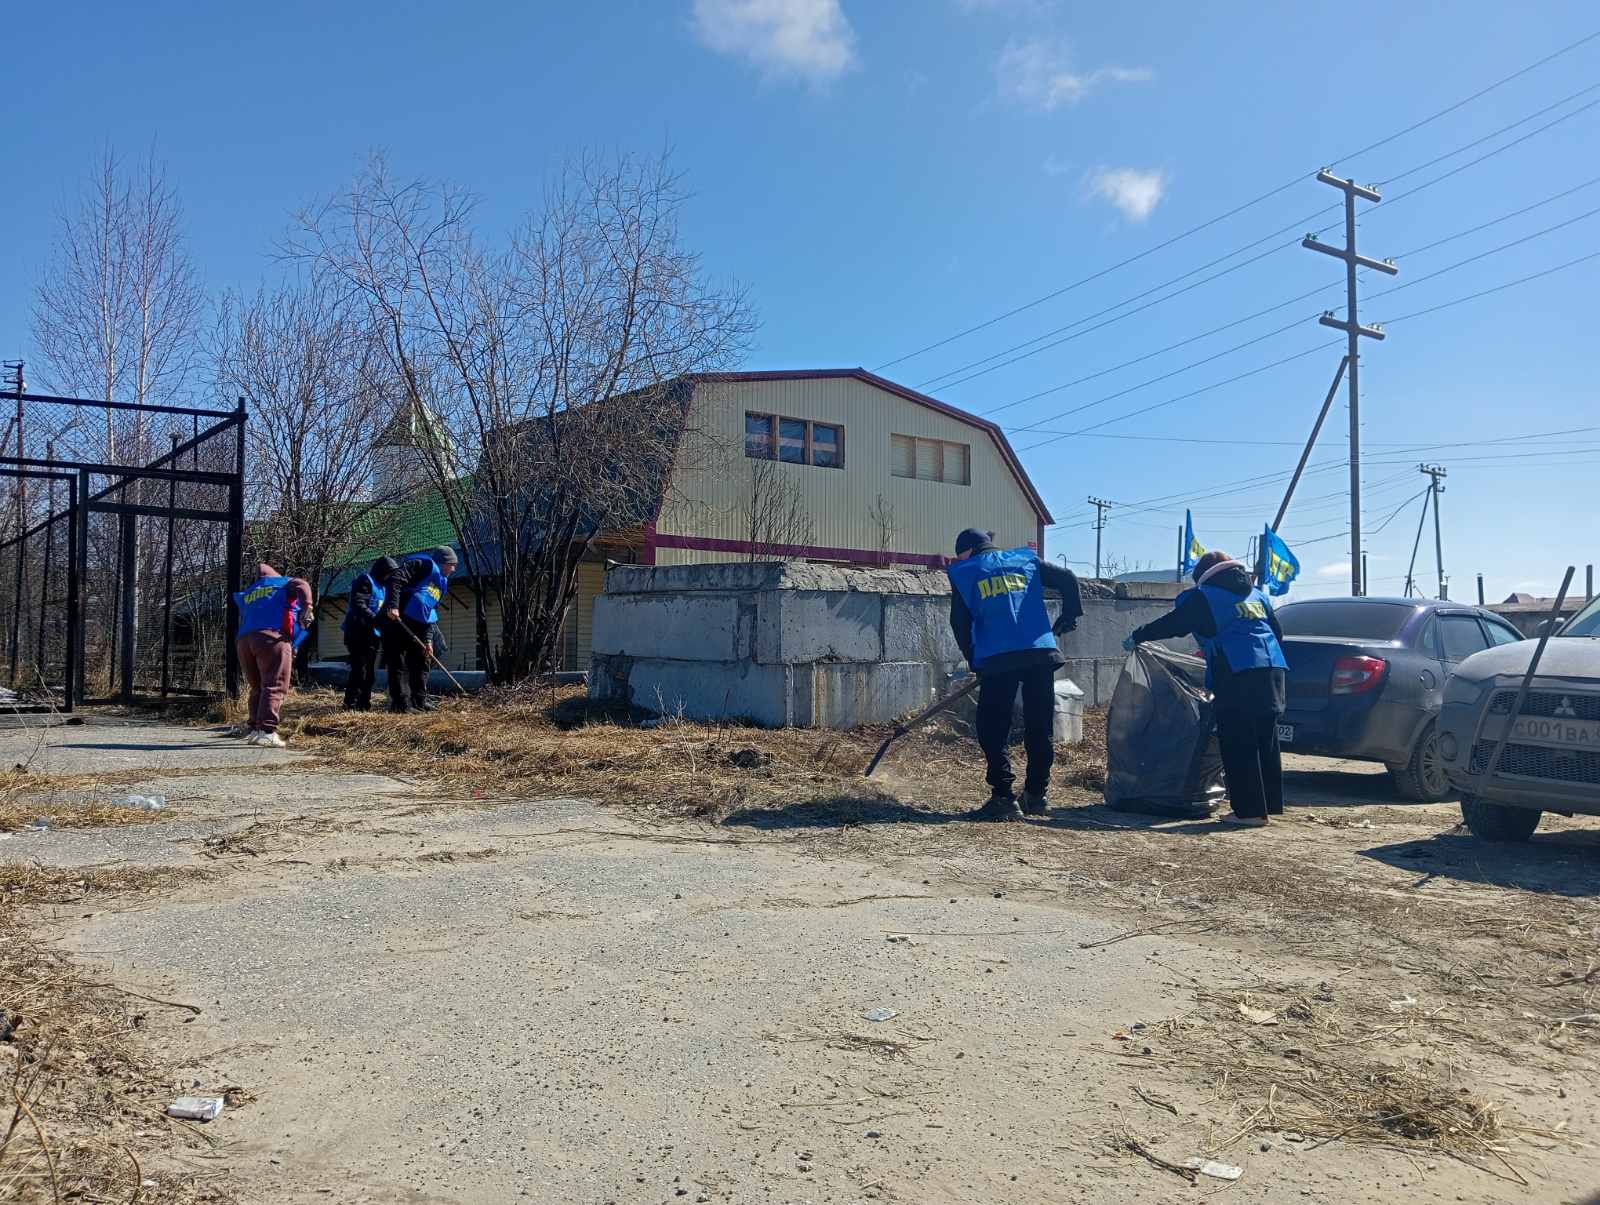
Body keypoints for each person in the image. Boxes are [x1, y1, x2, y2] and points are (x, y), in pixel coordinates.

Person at [1125, 549, 1288, 827]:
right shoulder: (1257, 596)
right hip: (1273, 669)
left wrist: (1139, 635)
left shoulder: (1205, 597)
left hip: (1237, 672)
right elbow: (1277, 633)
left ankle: (1249, 813)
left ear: (1204, 576)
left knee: (1238, 741)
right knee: (1266, 738)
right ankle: (1268, 805)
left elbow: (1174, 624)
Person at [947, 528, 1083, 821]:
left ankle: (1004, 797)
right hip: (1040, 653)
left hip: (998, 657)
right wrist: (1069, 615)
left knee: (993, 726)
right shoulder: (1025, 560)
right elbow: (1068, 579)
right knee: (1039, 726)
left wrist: (974, 660)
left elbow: (959, 622)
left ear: (967, 551)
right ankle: (1036, 795)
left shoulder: (966, 571)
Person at [231, 563, 314, 748]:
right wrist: (307, 606)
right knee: (274, 684)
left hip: (244, 640)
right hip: (272, 637)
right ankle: (267, 731)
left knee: (257, 687)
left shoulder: (251, 591)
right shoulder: (282, 583)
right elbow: (302, 584)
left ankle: (254, 729)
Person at [382, 545, 457, 713]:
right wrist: (393, 606)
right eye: (451, 564)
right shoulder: (422, 565)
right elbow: (395, 579)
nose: (453, 569)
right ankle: (400, 704)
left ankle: (419, 701)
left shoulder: (441, 584)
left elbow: (430, 612)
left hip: (420, 625)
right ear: (442, 562)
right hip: (397, 620)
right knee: (398, 663)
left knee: (422, 661)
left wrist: (428, 640)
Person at [342, 556, 397, 711]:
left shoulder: (385, 588)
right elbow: (358, 603)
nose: (391, 576)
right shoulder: (365, 581)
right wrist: (374, 619)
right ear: (383, 571)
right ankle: (351, 704)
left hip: (373, 635)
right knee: (360, 669)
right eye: (389, 573)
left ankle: (364, 703)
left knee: (370, 672)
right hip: (357, 633)